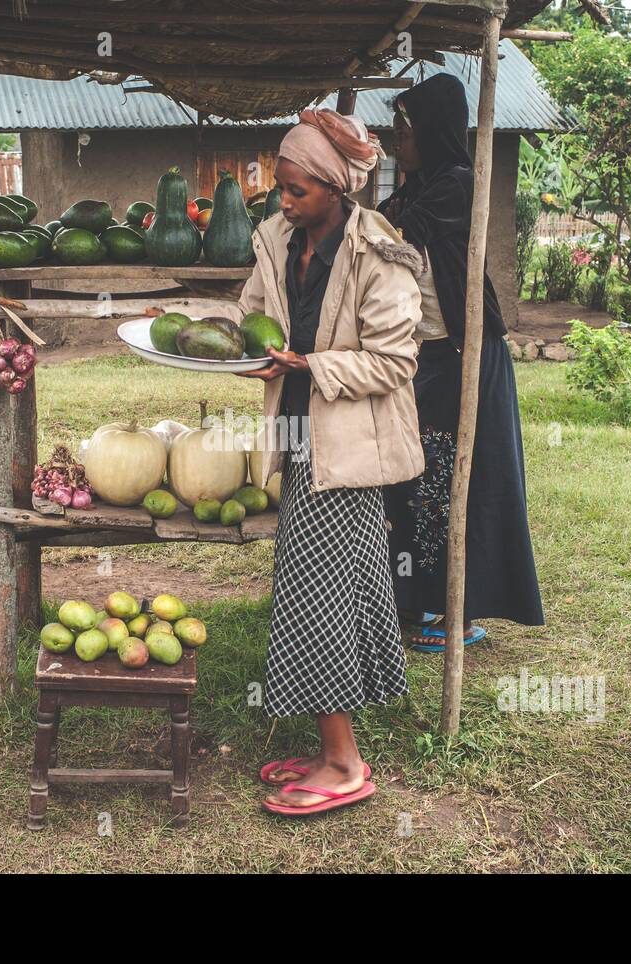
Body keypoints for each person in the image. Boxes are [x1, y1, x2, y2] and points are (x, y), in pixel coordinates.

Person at [213, 108, 425, 816]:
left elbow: (395, 361)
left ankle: (346, 764)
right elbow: (252, 312)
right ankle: (330, 747)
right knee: (314, 590)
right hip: (300, 437)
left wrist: (306, 362)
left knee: (323, 596)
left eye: (298, 190)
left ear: (337, 189)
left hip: (350, 449)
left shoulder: (382, 255)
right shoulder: (276, 239)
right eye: (281, 186)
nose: (283, 200)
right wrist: (244, 350)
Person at [376, 72, 545, 649]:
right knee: (416, 479)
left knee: (458, 480)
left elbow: (389, 237)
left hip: (467, 355)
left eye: (406, 129)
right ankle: (421, 602)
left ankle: (457, 611)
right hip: (428, 357)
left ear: (431, 130)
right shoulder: (418, 184)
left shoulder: (456, 184)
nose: (398, 140)